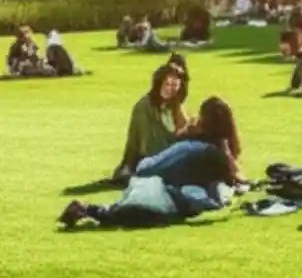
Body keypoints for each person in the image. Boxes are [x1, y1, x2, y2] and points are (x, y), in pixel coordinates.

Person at [62, 96, 244, 228]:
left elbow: (145, 169)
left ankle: (89, 210)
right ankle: (90, 210)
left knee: (136, 208)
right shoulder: (217, 153)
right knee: (135, 210)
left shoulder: (193, 148)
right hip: (170, 198)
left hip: (161, 194)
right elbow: (236, 179)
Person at [113, 64, 190, 182]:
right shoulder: (144, 107)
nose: (170, 89)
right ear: (159, 84)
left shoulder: (176, 106)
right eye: (167, 84)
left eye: (174, 85)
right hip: (153, 160)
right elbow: (144, 144)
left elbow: (185, 133)